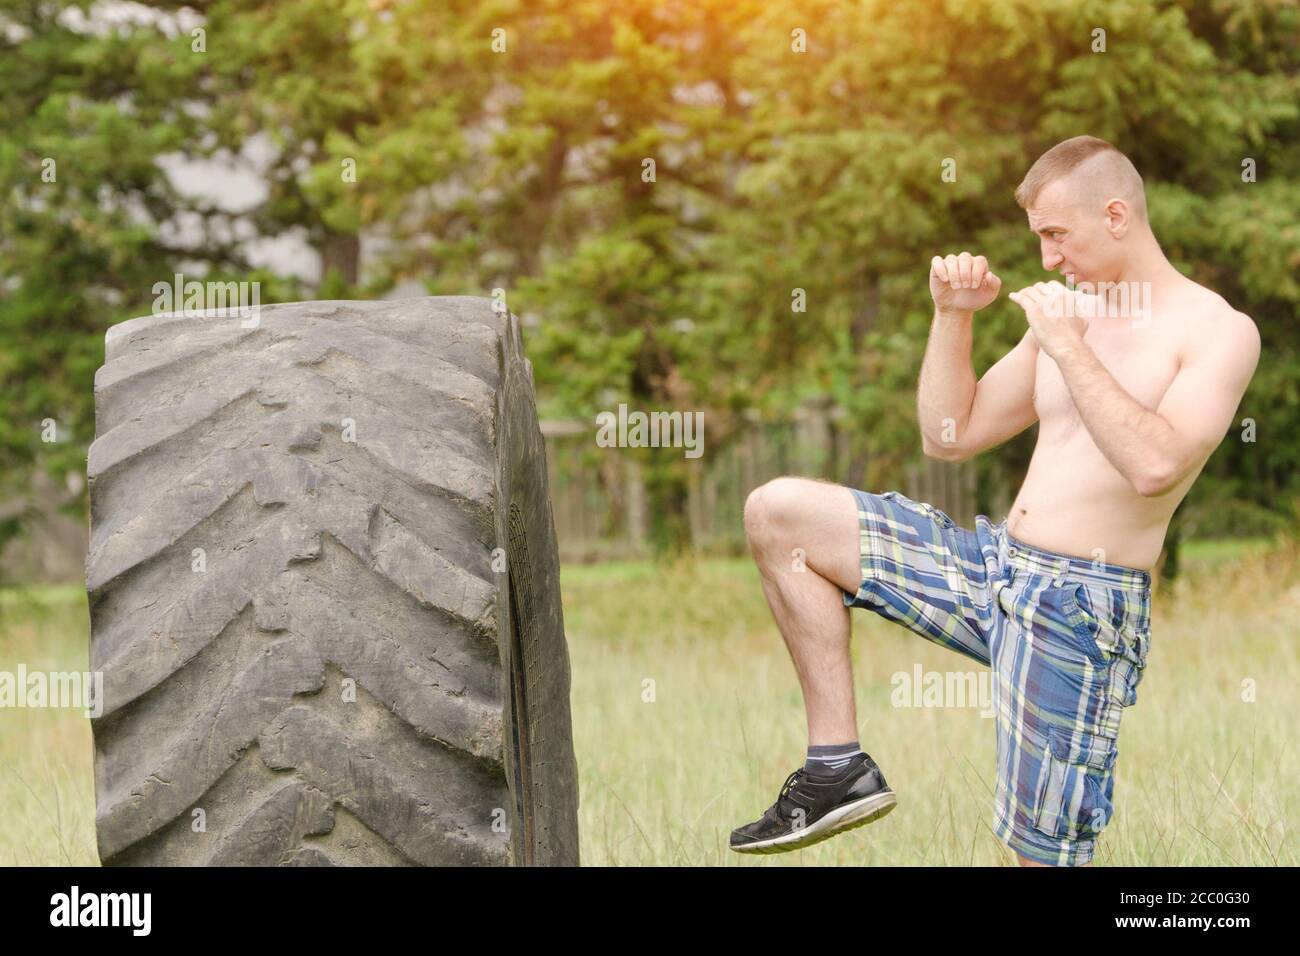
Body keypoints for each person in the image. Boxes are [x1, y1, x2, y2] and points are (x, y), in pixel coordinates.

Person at [728, 135, 1261, 865]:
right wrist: (954, 316)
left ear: (1115, 215)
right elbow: (951, 433)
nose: (1047, 260)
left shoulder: (1218, 332)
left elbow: (1154, 465)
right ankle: (835, 770)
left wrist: (1071, 345)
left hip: (1079, 609)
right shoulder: (1068, 316)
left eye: (1055, 235)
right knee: (779, 514)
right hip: (993, 566)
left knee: (1035, 859)